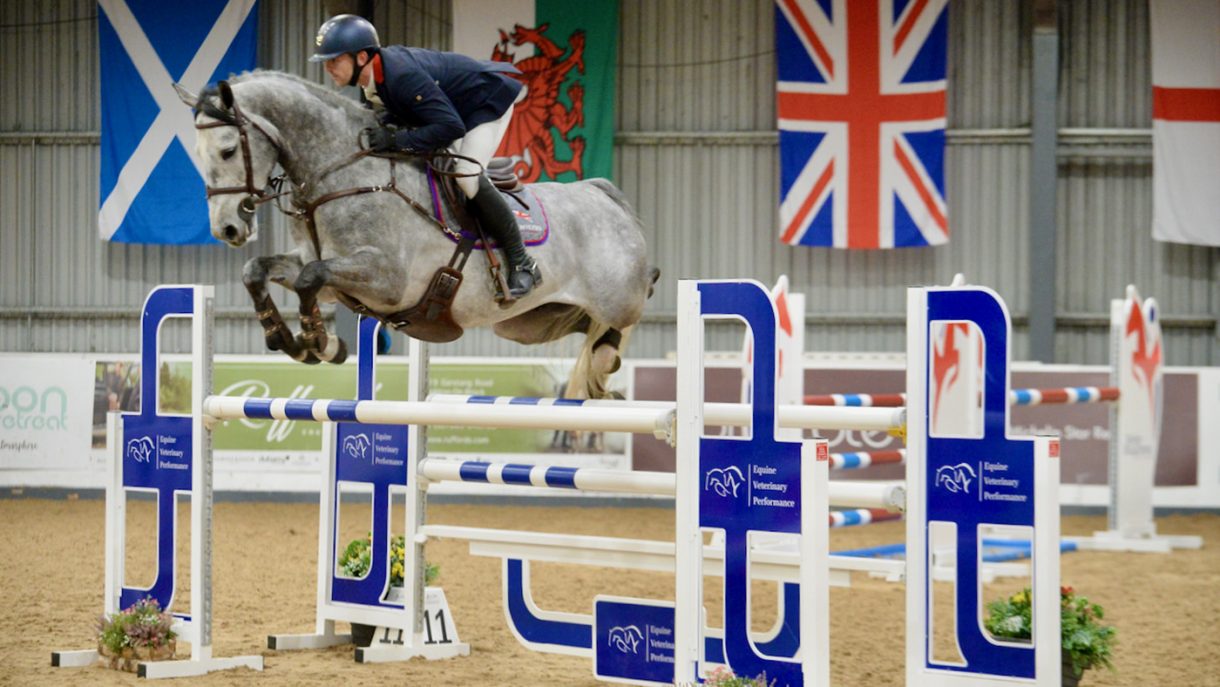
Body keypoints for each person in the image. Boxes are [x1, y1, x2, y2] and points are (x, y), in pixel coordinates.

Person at [309, 14, 541, 300]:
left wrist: (397, 140)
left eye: (334, 60)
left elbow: (450, 128)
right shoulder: (373, 81)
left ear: (360, 58)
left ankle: (523, 262)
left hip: (486, 104)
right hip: (453, 109)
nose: (328, 68)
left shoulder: (401, 76)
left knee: (466, 177)